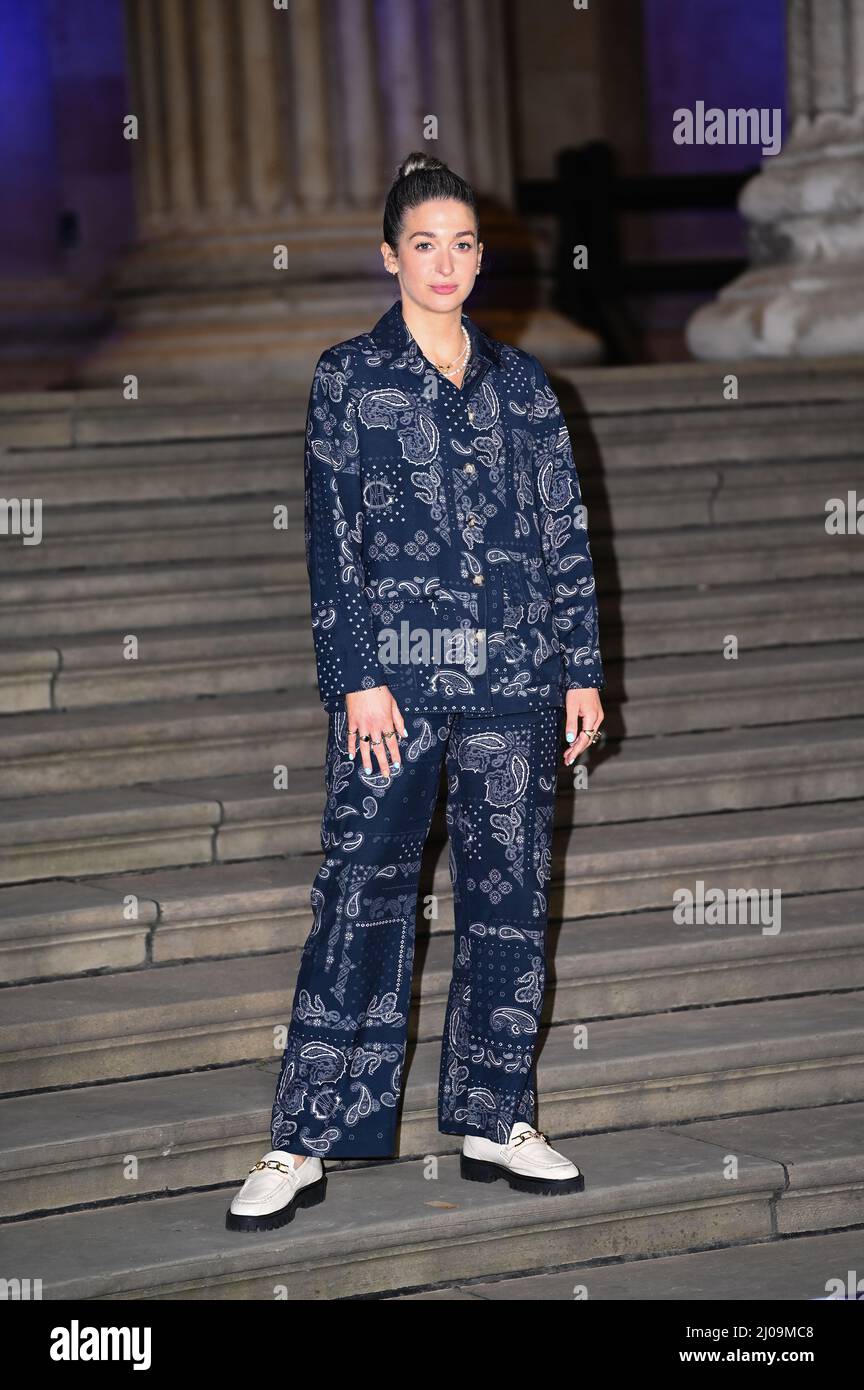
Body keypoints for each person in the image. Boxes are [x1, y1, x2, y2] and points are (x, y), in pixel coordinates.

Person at [227, 152, 605, 1233]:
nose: (448, 263)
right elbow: (332, 549)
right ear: (392, 256)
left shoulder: (528, 387)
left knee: (510, 901)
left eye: (466, 244)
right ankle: (300, 1138)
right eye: (426, 244)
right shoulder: (349, 378)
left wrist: (580, 668)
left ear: (482, 256)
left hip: (517, 683)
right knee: (358, 898)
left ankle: (496, 1115)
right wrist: (354, 680)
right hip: (394, 690)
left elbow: (565, 538)